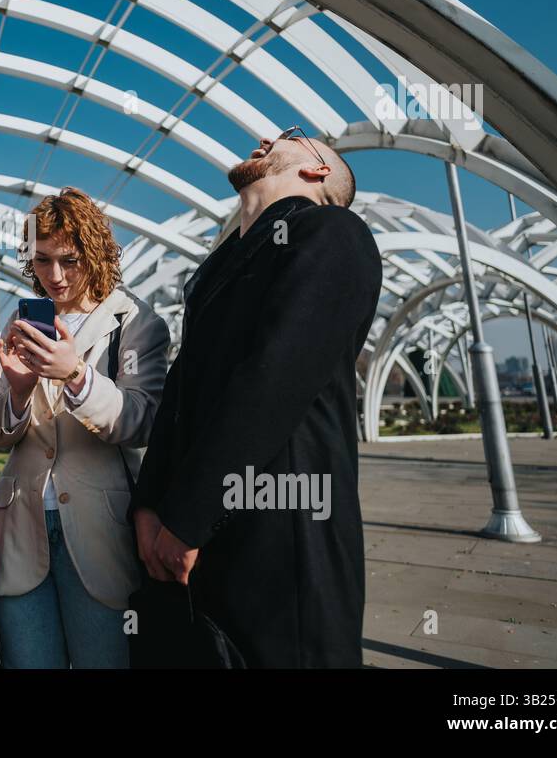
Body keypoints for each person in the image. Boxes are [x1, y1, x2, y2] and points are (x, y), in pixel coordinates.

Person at [131, 126, 381, 668]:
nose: (266, 139)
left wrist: (188, 518)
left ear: (316, 170)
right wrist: (149, 504)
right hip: (197, 550)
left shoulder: (333, 231)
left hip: (280, 544)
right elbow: (182, 389)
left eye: (291, 136)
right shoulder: (223, 265)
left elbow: (273, 379)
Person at [0, 187, 169, 668]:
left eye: (69, 259)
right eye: (42, 261)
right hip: (21, 527)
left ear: (96, 253)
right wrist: (18, 393)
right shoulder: (23, 322)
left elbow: (142, 420)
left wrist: (77, 376)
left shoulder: (135, 322)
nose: (55, 276)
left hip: (100, 531)